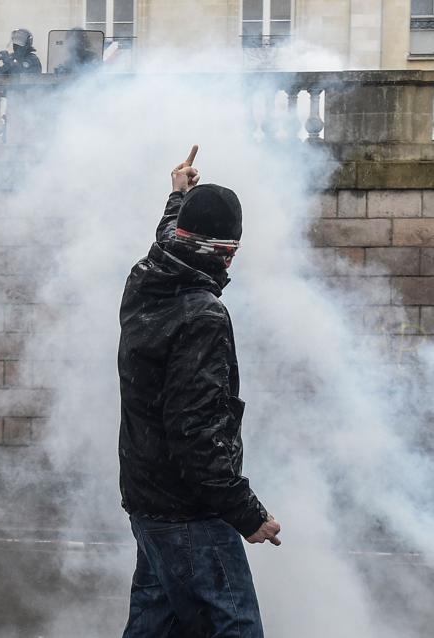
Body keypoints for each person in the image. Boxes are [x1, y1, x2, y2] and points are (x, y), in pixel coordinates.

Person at [118, 146, 282, 637]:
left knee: (154, 627)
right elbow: (196, 429)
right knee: (234, 627)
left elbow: (169, 244)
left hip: (148, 500)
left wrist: (177, 198)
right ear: (226, 251)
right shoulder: (203, 316)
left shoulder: (145, 281)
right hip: (190, 511)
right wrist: (246, 513)